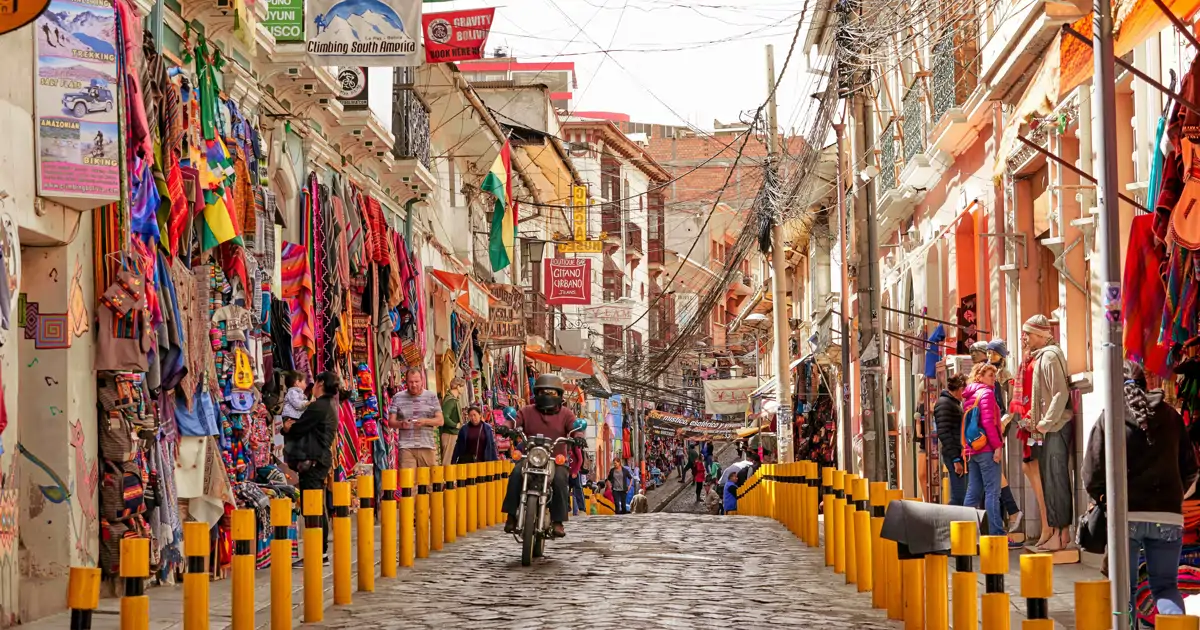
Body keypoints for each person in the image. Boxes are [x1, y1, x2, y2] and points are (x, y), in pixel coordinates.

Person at [1083, 361, 1198, 623]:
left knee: (1124, 591)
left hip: (1126, 515)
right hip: (1168, 515)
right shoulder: (1171, 416)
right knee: (1166, 588)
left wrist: (1103, 499)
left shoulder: (1109, 417)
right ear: (1146, 384)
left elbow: (1091, 471)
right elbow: (1190, 468)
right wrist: (1173, 497)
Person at [502, 374, 575, 537]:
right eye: (543, 392)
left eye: (552, 392)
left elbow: (575, 429)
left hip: (555, 460)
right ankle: (511, 516)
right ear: (537, 393)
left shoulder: (567, 414)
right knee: (515, 474)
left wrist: (579, 437)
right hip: (530, 458)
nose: (547, 396)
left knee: (561, 479)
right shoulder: (527, 411)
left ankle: (558, 521)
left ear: (560, 395)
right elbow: (514, 420)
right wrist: (505, 426)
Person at [282, 371, 340, 563]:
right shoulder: (328, 404)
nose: (311, 387)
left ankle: (318, 553)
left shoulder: (319, 406)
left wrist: (288, 427)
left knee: (312, 507)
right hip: (319, 460)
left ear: (320, 383)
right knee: (315, 505)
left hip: (314, 461)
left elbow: (299, 428)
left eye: (314, 382)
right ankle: (319, 552)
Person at [962, 363, 1005, 536]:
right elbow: (988, 423)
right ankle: (997, 534)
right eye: (990, 376)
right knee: (992, 492)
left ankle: (966, 533)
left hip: (973, 450)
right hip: (987, 449)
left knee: (973, 491)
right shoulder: (986, 393)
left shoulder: (969, 395)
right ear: (979, 377)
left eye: (994, 376)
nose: (993, 379)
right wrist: (997, 446)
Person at [385, 370, 444, 469]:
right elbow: (391, 422)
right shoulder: (397, 397)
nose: (414, 385)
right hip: (406, 447)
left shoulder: (431, 396)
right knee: (408, 481)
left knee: (428, 482)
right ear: (406, 382)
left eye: (417, 381)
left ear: (422, 381)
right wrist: (401, 424)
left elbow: (440, 421)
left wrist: (425, 421)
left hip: (427, 446)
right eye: (411, 382)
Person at [934, 374, 968, 506]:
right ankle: (951, 523)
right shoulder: (945, 404)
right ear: (960, 389)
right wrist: (955, 459)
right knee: (959, 494)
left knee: (960, 492)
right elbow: (944, 433)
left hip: (957, 452)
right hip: (953, 454)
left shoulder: (952, 403)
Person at [439, 377, 464, 465]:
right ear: (457, 386)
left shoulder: (452, 399)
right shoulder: (451, 401)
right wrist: (455, 425)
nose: (463, 389)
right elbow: (445, 417)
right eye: (462, 386)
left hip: (452, 433)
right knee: (447, 459)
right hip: (449, 433)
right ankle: (446, 478)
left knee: (450, 459)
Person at [568, 418, 588, 516]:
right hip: (565, 471)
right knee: (564, 490)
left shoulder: (575, 445)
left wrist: (575, 471)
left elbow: (580, 459)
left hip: (574, 472)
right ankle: (567, 508)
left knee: (578, 490)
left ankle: (582, 509)